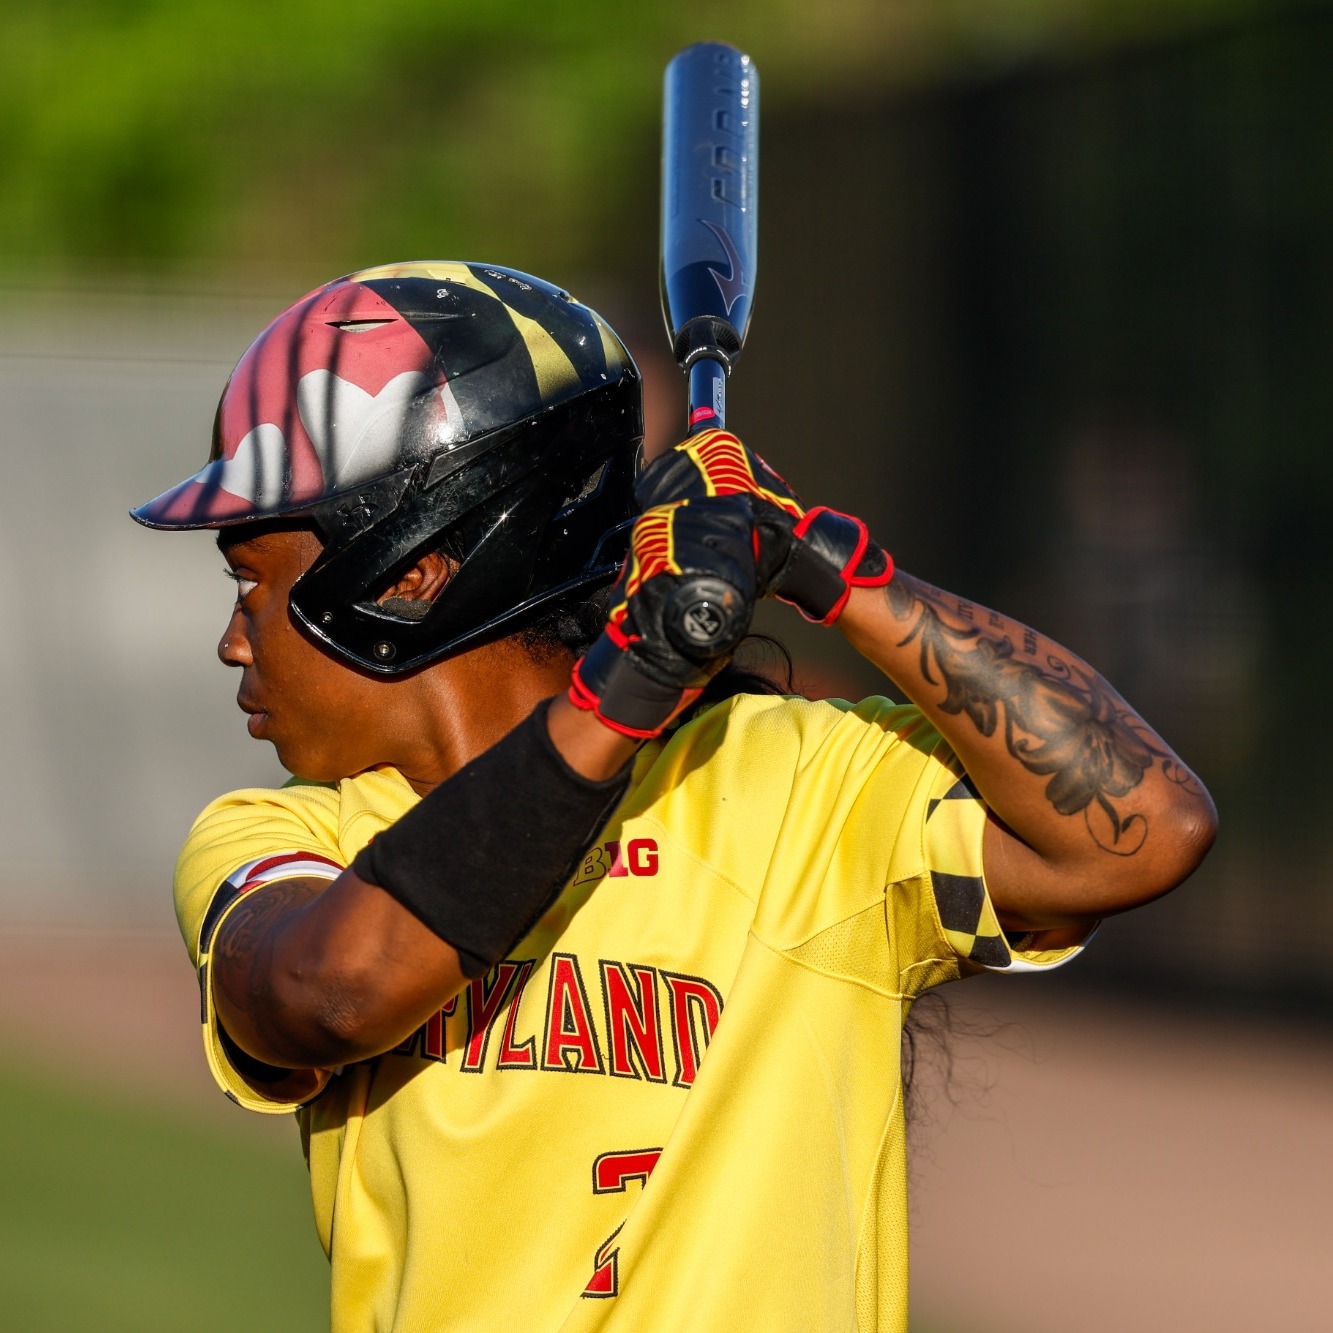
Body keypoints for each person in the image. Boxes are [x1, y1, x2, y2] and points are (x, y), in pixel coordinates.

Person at [133, 260, 1216, 1332]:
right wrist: (633, 680)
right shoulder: (289, 835)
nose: (234, 638)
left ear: (403, 567)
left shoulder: (797, 783)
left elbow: (1145, 831)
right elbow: (328, 995)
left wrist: (824, 560)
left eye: (252, 581)